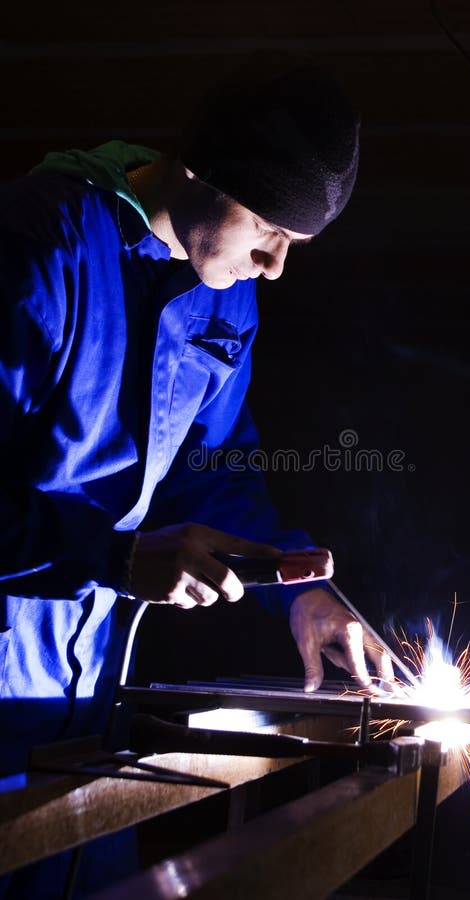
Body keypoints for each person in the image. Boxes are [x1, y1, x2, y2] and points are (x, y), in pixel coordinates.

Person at [0, 50, 394, 792]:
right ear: (198, 169)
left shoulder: (227, 298)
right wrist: (113, 557)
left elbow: (210, 476)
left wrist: (296, 587)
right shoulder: (39, 246)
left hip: (85, 704)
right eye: (267, 227)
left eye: (294, 245)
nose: (274, 265)